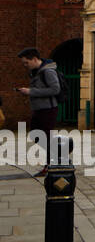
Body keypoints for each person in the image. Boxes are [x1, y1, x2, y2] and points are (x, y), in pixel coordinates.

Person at [17, 47, 60, 176]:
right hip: (39, 109)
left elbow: (55, 89)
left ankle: (51, 164)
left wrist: (31, 92)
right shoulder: (37, 72)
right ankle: (55, 157)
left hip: (48, 109)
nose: (25, 65)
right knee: (35, 135)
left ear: (35, 59)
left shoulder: (47, 72)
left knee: (45, 137)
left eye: (26, 62)